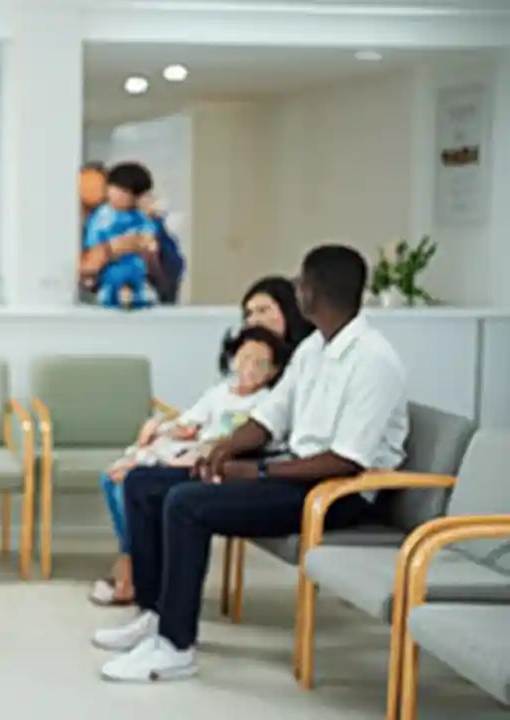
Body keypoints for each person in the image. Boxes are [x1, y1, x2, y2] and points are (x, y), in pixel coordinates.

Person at [92, 244, 409, 683]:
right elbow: (270, 416)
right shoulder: (314, 349)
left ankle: (175, 647)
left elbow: (345, 460)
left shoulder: (373, 360)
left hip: (342, 495)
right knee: (145, 483)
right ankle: (157, 614)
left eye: (301, 282)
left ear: (313, 292)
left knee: (187, 503)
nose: (297, 289)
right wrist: (223, 448)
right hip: (299, 476)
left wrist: (257, 471)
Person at [90, 275, 312, 606]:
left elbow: (265, 434)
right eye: (249, 314)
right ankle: (141, 577)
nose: (255, 320)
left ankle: (137, 575)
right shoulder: (237, 377)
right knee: (120, 476)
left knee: (138, 481)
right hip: (217, 449)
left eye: (265, 310)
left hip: (249, 460)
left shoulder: (296, 369)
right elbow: (208, 413)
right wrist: (165, 431)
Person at [81, 162, 160, 309]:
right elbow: (93, 248)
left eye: (128, 193)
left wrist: (148, 241)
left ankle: (135, 295)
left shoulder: (139, 216)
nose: (122, 196)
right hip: (111, 268)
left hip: (135, 264)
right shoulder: (101, 216)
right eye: (120, 190)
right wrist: (113, 247)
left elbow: (148, 237)